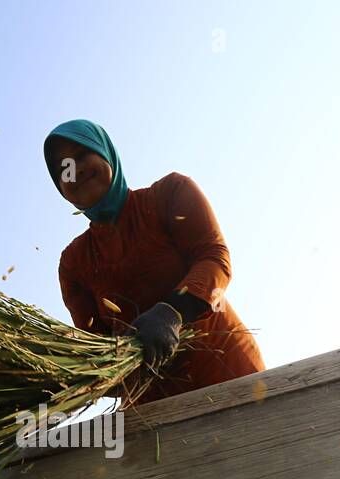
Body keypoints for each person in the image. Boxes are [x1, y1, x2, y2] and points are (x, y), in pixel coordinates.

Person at [43, 119, 265, 404]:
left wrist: (171, 312)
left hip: (228, 374)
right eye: (63, 169)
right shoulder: (74, 262)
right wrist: (69, 374)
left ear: (106, 151)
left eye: (83, 154)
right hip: (153, 408)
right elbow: (95, 342)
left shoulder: (169, 194)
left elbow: (214, 259)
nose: (77, 169)